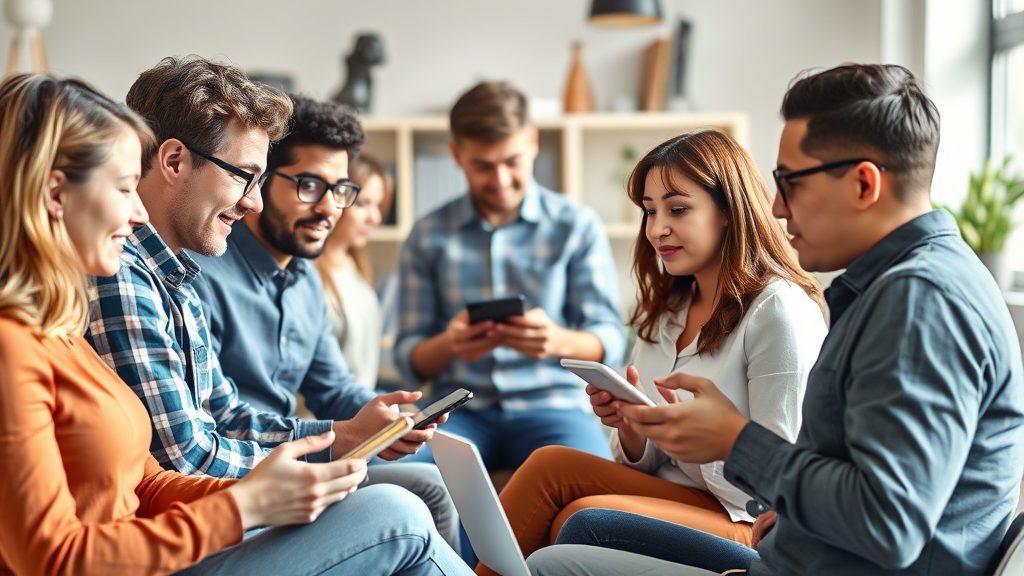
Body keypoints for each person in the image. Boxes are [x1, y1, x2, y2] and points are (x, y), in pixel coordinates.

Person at [527, 63, 1024, 576]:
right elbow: (859, 479)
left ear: (863, 184)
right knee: (563, 543)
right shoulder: (895, 288)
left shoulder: (922, 302)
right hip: (788, 553)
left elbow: (889, 524)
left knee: (556, 563)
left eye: (790, 183)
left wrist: (736, 442)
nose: (777, 207)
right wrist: (788, 513)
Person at [0, 72, 469, 576]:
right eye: (122, 186)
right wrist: (249, 503)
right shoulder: (41, 330)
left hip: (173, 533)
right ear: (55, 195)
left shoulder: (68, 324)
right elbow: (54, 555)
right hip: (155, 553)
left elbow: (153, 479)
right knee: (398, 513)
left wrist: (282, 483)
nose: (137, 213)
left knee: (406, 505)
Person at [476, 129, 826, 575]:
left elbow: (777, 481)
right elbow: (649, 462)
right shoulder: (669, 309)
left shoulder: (779, 312)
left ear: (727, 212)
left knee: (576, 519)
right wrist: (634, 428)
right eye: (649, 211)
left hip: (748, 519)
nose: (657, 228)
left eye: (678, 209)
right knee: (549, 464)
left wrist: (697, 438)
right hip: (684, 493)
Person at [191, 96, 459, 552]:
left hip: (293, 453)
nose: (330, 208)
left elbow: (334, 389)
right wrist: (344, 434)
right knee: (419, 495)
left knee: (432, 480)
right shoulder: (204, 273)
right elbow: (216, 424)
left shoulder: (304, 281)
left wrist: (391, 418)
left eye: (340, 190)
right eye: (310, 186)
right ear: (260, 182)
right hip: (243, 471)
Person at [397, 81, 625, 470]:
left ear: (533, 143)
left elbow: (611, 340)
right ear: (456, 155)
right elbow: (408, 356)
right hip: (458, 410)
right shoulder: (427, 234)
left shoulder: (576, 225)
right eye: (483, 166)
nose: (501, 180)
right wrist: (451, 344)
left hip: (554, 406)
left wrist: (557, 340)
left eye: (512, 161)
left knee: (594, 496)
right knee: (411, 479)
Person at [315, 153, 395, 391]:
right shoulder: (310, 275)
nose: (376, 217)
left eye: (378, 205)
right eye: (363, 204)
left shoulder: (357, 266)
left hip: (359, 405)